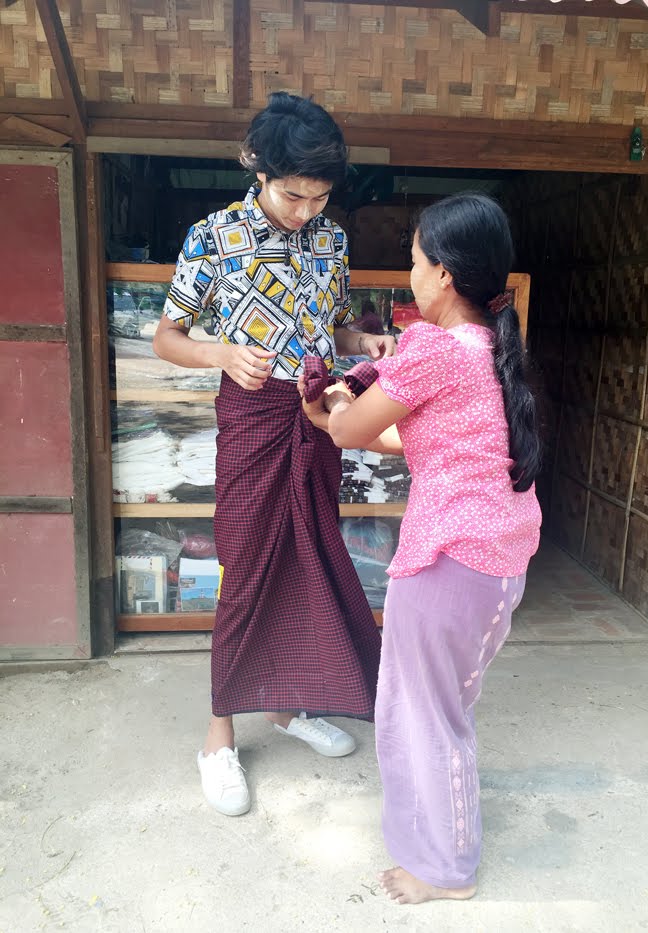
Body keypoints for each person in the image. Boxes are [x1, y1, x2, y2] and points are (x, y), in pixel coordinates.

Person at [153, 92, 394, 816]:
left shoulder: (331, 240)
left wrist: (365, 343)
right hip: (253, 421)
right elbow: (166, 338)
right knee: (248, 563)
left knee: (310, 556)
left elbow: (335, 332)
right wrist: (220, 352)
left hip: (318, 419)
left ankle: (289, 707)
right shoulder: (212, 237)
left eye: (319, 197)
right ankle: (217, 735)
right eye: (294, 194)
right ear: (255, 168)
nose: (305, 211)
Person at [301, 193, 542, 903]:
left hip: (449, 561)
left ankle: (445, 869)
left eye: (412, 261)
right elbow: (405, 437)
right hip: (494, 564)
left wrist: (332, 402)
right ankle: (446, 845)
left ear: (442, 275)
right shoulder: (490, 346)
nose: (409, 275)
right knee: (445, 713)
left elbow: (352, 429)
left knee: (420, 714)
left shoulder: (434, 346)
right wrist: (345, 413)